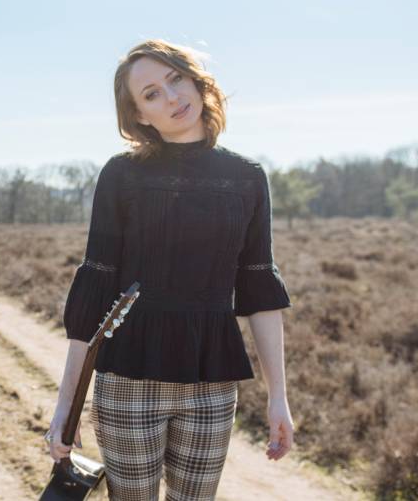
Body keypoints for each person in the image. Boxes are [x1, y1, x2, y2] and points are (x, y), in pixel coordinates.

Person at [44, 38, 295, 500]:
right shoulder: (122, 175)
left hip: (212, 385)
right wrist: (67, 406)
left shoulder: (246, 177)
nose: (172, 97)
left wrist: (278, 397)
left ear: (196, 80)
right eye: (152, 94)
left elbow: (259, 288)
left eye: (175, 79)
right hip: (128, 382)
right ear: (140, 115)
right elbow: (94, 287)